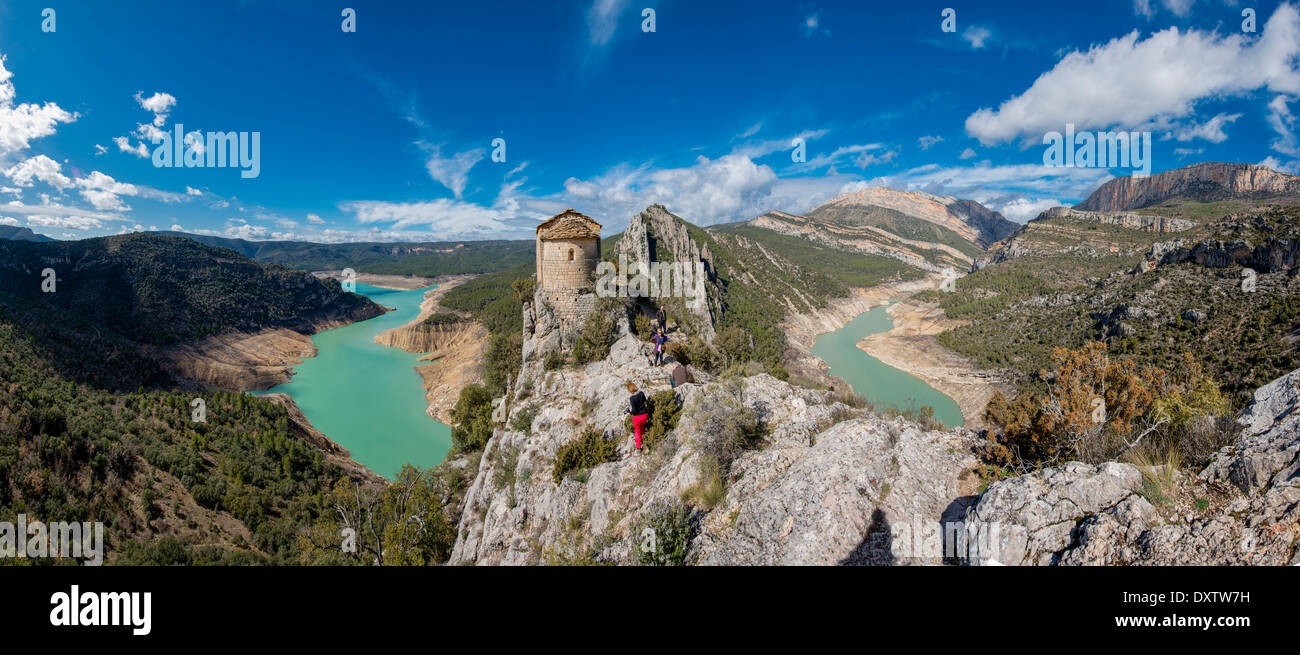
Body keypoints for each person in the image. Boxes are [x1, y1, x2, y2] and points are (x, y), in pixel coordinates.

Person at [625, 381, 649, 452]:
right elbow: (644, 400)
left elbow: (634, 410)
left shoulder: (632, 398)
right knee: (642, 427)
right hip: (645, 415)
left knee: (637, 431)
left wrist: (630, 413)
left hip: (637, 417)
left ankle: (639, 447)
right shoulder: (641, 393)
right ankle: (644, 439)